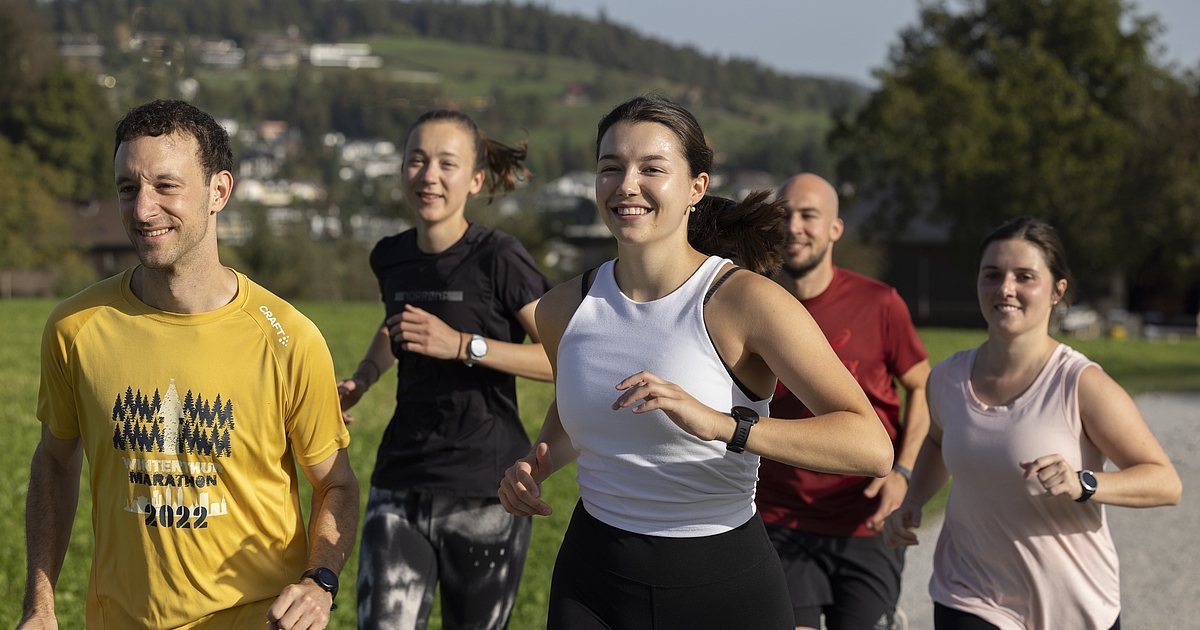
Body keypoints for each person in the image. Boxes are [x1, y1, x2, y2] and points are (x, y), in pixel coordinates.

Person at [498, 95, 894, 630]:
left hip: (723, 588)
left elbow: (870, 447)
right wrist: (536, 462)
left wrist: (723, 426)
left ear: (696, 188)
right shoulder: (561, 308)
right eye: (610, 168)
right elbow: (574, 415)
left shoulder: (747, 302)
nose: (626, 185)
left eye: (651, 169)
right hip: (593, 583)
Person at [20, 99, 359, 629]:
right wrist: (38, 606)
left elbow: (336, 485)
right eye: (128, 189)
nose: (143, 209)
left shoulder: (289, 338)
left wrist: (320, 581)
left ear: (219, 191)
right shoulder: (75, 328)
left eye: (165, 186)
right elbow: (55, 462)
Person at [883, 217, 1182, 630]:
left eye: (1025, 277)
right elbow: (937, 442)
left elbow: (1165, 482)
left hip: (1073, 605)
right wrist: (912, 501)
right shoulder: (947, 378)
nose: (1005, 288)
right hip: (970, 592)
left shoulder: (1080, 383)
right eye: (992, 275)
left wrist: (1085, 483)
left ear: (1058, 290)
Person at [336, 108, 554, 630]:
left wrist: (463, 345)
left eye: (446, 163)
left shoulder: (499, 258)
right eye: (416, 160)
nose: (428, 175)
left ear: (476, 180)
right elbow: (397, 326)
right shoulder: (389, 256)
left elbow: (563, 357)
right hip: (400, 481)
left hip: (486, 490)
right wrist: (364, 377)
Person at [755, 173, 931, 630]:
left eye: (808, 215)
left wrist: (904, 473)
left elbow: (922, 385)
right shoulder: (752, 303)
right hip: (779, 517)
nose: (794, 226)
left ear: (835, 229)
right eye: (784, 215)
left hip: (865, 520)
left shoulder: (880, 303)